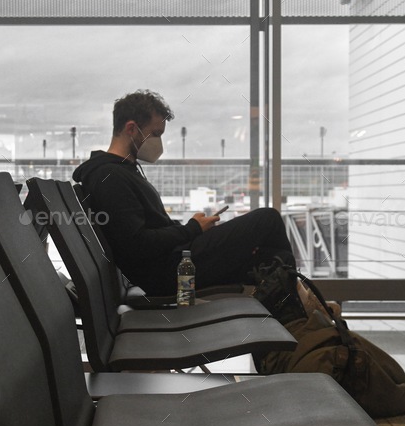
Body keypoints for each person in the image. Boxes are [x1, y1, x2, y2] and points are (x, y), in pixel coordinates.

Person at [72, 90, 295, 296]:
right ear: (131, 128)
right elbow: (137, 244)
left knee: (275, 259)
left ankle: (295, 319)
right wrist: (192, 229)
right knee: (268, 219)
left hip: (173, 262)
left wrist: (192, 228)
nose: (158, 142)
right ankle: (300, 324)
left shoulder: (119, 172)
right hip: (170, 274)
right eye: (155, 134)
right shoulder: (110, 177)